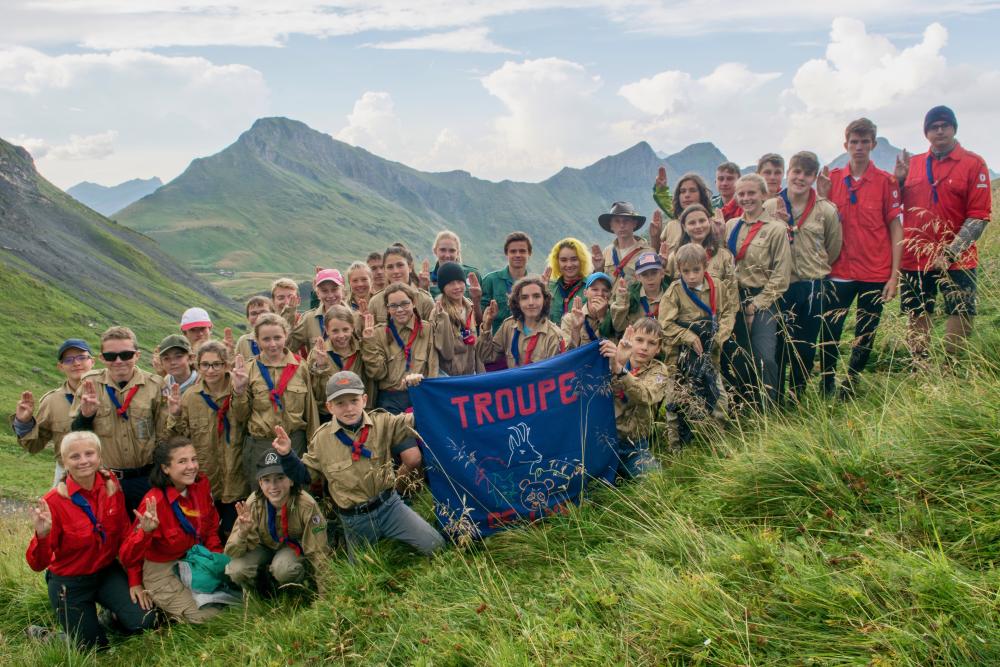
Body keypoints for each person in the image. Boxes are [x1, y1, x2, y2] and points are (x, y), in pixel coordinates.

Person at [279, 372, 445, 558]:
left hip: (390, 507)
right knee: (361, 576)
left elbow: (420, 420)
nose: (348, 408)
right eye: (340, 403)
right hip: (354, 520)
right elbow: (305, 476)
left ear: (364, 400)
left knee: (435, 546)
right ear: (329, 406)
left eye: (354, 400)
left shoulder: (382, 422)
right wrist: (287, 455)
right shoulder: (322, 440)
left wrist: (417, 388)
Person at [25, 432, 157, 649]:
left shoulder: (111, 485)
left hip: (106, 573)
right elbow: (37, 564)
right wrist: (42, 535)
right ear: (64, 461)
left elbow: (124, 535)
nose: (84, 460)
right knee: (93, 648)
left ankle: (107, 618)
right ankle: (48, 636)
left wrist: (134, 578)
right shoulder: (52, 502)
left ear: (99, 456)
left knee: (145, 621)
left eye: (89, 453)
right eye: (75, 456)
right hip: (70, 583)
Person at [895, 105, 992, 363]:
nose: (939, 131)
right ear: (926, 133)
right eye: (933, 127)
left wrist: (950, 253)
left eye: (944, 126)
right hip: (915, 256)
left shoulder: (974, 163)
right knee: (917, 311)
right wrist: (899, 181)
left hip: (959, 257)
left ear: (954, 128)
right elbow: (893, 207)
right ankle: (920, 364)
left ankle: (951, 365)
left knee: (961, 311)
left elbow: (979, 216)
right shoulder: (912, 165)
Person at [817, 117, 904, 397]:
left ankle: (850, 382)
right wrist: (822, 196)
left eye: (864, 142)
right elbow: (821, 221)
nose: (859, 147)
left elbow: (895, 227)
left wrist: (894, 275)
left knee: (866, 331)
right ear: (846, 144)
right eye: (854, 142)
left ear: (873, 144)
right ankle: (827, 381)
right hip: (839, 269)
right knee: (829, 328)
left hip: (874, 271)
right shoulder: (832, 180)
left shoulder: (886, 181)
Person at [119, 437, 225, 624]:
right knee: (206, 617)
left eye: (194, 459)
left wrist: (216, 560)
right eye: (182, 461)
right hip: (163, 569)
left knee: (234, 599)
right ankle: (161, 609)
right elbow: (128, 556)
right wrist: (145, 533)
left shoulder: (201, 485)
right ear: (165, 468)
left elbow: (210, 526)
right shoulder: (154, 503)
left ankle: (172, 605)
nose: (191, 466)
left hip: (193, 558)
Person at [764, 151, 842, 402]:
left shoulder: (826, 210)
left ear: (814, 177)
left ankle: (797, 394)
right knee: (777, 345)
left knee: (806, 346)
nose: (800, 178)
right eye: (796, 172)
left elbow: (834, 246)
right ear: (788, 173)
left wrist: (815, 267)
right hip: (780, 285)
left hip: (812, 285)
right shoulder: (770, 205)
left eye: (807, 173)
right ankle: (775, 398)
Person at [71, 326, 167, 514]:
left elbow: (164, 435)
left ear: (137, 355)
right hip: (105, 480)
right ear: (101, 358)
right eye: (111, 356)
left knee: (147, 535)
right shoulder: (90, 384)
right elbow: (76, 435)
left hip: (146, 478)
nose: (118, 361)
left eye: (126, 354)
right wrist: (86, 415)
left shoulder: (155, 385)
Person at [167, 341, 247, 542]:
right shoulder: (191, 397)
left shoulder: (239, 387)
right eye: (205, 365)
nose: (210, 370)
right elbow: (178, 438)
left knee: (235, 533)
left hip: (238, 477)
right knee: (209, 533)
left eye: (217, 364)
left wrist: (239, 392)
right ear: (198, 366)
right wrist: (175, 414)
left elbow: (246, 418)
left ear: (226, 365)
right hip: (207, 478)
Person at [659, 243, 737, 446]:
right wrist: (688, 336)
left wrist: (720, 336)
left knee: (718, 398)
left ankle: (716, 442)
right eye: (686, 271)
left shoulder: (718, 287)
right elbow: (665, 325)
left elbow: (728, 311)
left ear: (706, 265)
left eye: (696, 270)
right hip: (679, 359)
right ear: (679, 270)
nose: (691, 276)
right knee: (675, 402)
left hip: (710, 356)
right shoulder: (675, 291)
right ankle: (675, 447)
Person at [724, 174, 791, 410]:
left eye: (751, 193)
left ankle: (769, 409)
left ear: (763, 195)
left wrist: (757, 304)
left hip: (764, 297)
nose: (746, 198)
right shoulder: (732, 226)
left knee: (765, 356)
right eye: (741, 194)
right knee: (738, 355)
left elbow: (781, 275)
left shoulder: (776, 229)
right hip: (734, 297)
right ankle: (743, 406)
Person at [360, 282, 437, 485]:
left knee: (429, 459)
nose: (400, 309)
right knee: (412, 459)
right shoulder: (377, 333)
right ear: (387, 308)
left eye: (404, 303)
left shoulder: (427, 329)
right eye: (394, 306)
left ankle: (415, 499)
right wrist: (367, 343)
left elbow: (435, 364)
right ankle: (393, 496)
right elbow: (376, 373)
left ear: (413, 303)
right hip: (391, 401)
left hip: (420, 397)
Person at [224, 450, 328, 593]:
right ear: (260, 483)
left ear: (291, 479)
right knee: (236, 569)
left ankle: (297, 591)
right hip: (264, 547)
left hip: (292, 549)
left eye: (280, 478)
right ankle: (261, 593)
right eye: (266, 480)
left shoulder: (306, 505)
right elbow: (232, 552)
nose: (273, 486)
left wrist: (326, 595)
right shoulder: (253, 503)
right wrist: (242, 533)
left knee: (284, 569)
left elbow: (318, 552)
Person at [231, 313, 319, 480]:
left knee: (297, 492)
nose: (273, 344)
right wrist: (239, 390)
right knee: (263, 495)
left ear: (286, 336)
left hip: (295, 442)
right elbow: (240, 416)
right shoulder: (248, 370)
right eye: (266, 339)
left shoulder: (300, 367)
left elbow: (310, 410)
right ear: (256, 340)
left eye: (277, 337)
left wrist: (313, 446)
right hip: (261, 443)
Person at [11, 338, 95, 485]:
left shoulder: (112, 393)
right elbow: (33, 446)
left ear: (92, 361)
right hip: (67, 478)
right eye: (68, 360)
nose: (76, 363)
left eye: (82, 357)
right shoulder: (51, 401)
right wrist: (23, 423)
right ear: (60, 366)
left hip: (109, 477)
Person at [598, 321, 670, 479]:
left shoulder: (659, 371)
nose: (644, 347)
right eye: (639, 340)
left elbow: (647, 395)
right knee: (584, 485)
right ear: (630, 339)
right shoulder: (615, 359)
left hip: (635, 446)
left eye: (651, 343)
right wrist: (618, 363)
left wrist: (620, 370)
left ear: (658, 349)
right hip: (605, 441)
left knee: (655, 481)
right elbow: (597, 393)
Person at [478, 276, 569, 368]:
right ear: (517, 302)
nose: (531, 302)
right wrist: (487, 325)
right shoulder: (509, 326)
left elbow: (555, 373)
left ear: (545, 300)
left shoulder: (554, 336)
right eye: (524, 297)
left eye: (536, 296)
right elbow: (486, 357)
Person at [307, 304, 377, 416]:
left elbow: (376, 373)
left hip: (361, 412)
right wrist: (321, 367)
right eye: (335, 331)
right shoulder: (318, 353)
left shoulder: (363, 348)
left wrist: (369, 344)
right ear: (327, 330)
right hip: (330, 415)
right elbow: (318, 395)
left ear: (352, 327)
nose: (341, 335)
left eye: (345, 329)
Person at [665, 204, 738, 298]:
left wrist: (729, 313)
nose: (698, 226)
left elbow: (732, 292)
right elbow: (667, 291)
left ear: (709, 222)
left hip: (717, 311)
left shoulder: (724, 256)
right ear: (684, 227)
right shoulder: (675, 257)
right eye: (692, 223)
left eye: (702, 221)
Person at [431, 262, 484, 376]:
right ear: (442, 287)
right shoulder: (438, 312)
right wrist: (443, 320)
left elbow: (475, 346)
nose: (456, 287)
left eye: (460, 282)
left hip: (470, 375)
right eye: (450, 283)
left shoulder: (469, 306)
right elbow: (446, 353)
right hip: (448, 377)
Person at [479, 231, 532, 339]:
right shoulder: (490, 280)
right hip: (496, 346)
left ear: (529, 254)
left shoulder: (534, 284)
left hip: (525, 345)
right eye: (513, 251)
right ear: (506, 253)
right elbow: (479, 317)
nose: (517, 255)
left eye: (522, 251)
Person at [367, 245, 435, 324]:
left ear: (410, 267)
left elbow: (434, 333)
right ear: (385, 270)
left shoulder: (425, 301)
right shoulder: (375, 302)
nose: (395, 271)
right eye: (390, 267)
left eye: (400, 265)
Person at [653, 172, 715, 256]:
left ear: (702, 194)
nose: (687, 195)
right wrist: (655, 236)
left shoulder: (713, 223)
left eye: (692, 190)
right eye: (682, 191)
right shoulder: (672, 226)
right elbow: (657, 255)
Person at [288, 268, 345, 355]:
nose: (330, 295)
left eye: (334, 289)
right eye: (324, 291)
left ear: (342, 291)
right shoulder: (309, 319)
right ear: (318, 294)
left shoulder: (355, 317)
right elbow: (289, 347)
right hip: (318, 368)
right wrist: (288, 315)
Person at [593, 202, 652, 284]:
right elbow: (600, 285)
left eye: (626, 220)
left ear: (634, 223)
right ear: (611, 225)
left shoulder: (647, 253)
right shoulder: (607, 252)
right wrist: (598, 269)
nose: (622, 225)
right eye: (617, 221)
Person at [610, 252, 671, 332]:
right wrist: (621, 301)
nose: (650, 278)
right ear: (638, 277)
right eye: (645, 274)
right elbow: (619, 327)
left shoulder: (671, 296)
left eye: (654, 273)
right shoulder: (631, 297)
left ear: (662, 273)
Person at [561, 272, 616, 347]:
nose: (600, 294)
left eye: (605, 290)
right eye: (595, 289)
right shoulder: (569, 319)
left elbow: (613, 351)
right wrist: (576, 329)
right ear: (585, 293)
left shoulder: (615, 318)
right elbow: (567, 356)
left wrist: (603, 319)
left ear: (610, 295)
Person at [423, 231, 481, 300]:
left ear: (458, 252)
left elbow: (482, 305)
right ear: (435, 251)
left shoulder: (472, 275)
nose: (447, 255)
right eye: (443, 250)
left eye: (452, 251)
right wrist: (423, 288)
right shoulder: (427, 279)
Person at [546, 237, 591, 325]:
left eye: (574, 259)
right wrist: (542, 292)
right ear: (557, 262)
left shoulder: (591, 287)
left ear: (581, 260)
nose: (569, 265)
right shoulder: (548, 287)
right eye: (563, 260)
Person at [235, 295, 274, 361]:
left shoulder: (281, 338)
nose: (259, 317)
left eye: (263, 312)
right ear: (248, 318)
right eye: (253, 313)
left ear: (274, 314)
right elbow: (235, 366)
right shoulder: (243, 341)